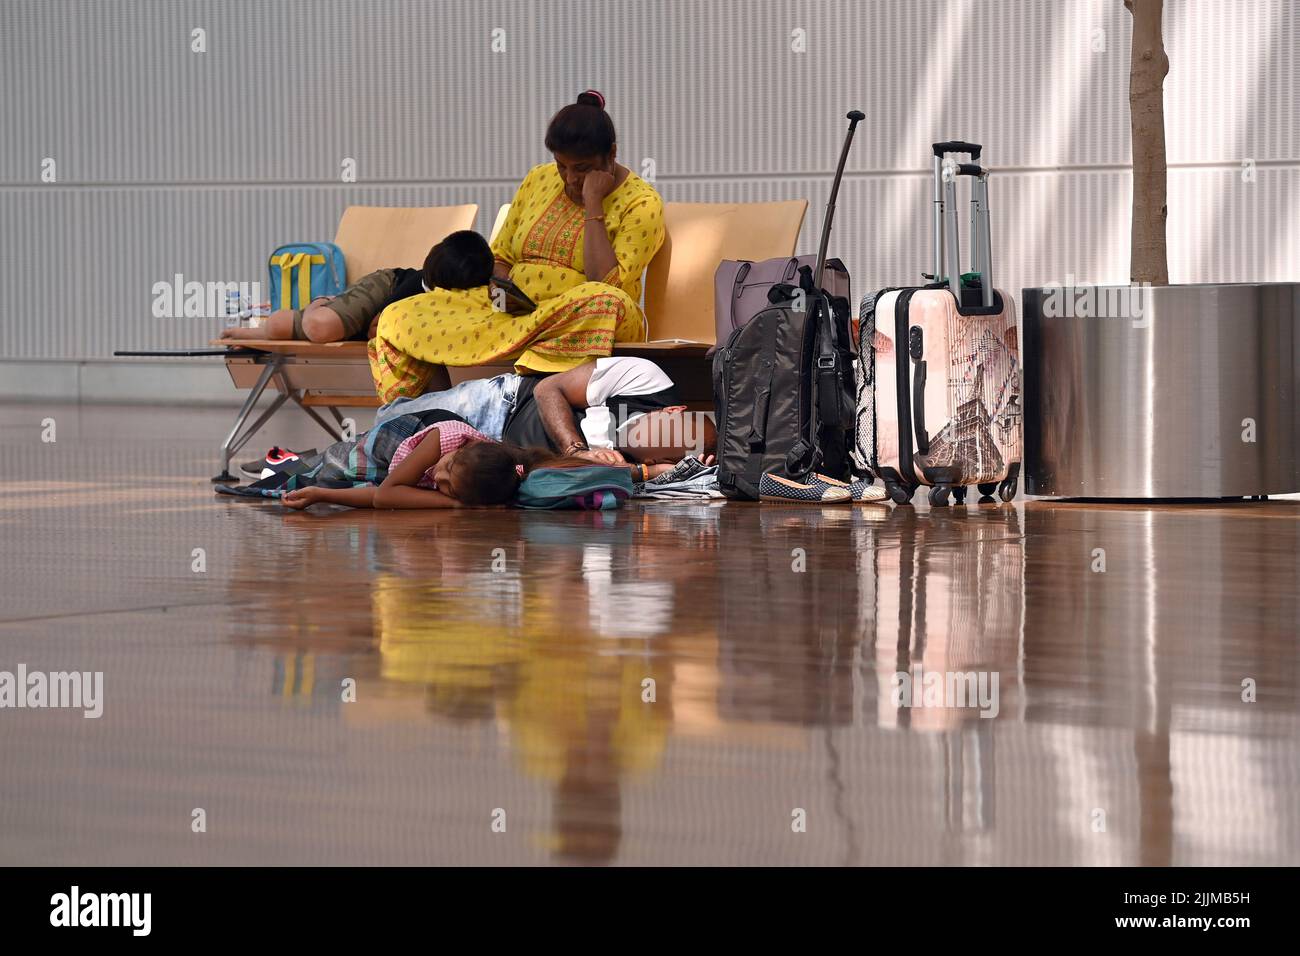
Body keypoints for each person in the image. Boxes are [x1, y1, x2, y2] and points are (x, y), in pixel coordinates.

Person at [368, 90, 665, 403]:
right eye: (562, 166)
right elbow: (501, 257)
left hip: (583, 315)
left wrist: (594, 203)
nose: (570, 179)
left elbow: (604, 282)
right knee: (402, 314)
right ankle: (430, 418)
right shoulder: (539, 178)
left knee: (603, 300)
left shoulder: (641, 203)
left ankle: (521, 394)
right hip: (518, 312)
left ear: (612, 154)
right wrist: (504, 291)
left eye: (583, 168)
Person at [370, 355, 715, 475]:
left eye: (676, 449)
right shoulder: (646, 382)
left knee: (387, 459)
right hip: (504, 405)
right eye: (678, 428)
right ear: (674, 410)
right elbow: (548, 389)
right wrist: (575, 450)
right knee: (385, 423)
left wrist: (650, 471)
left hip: (496, 456)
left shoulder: (625, 464)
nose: (666, 441)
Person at [221, 231, 493, 343]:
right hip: (384, 290)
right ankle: (320, 302)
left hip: (385, 325)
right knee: (314, 326)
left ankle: (322, 313)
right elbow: (377, 327)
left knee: (305, 328)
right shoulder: (414, 286)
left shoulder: (472, 293)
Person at [280, 420, 589, 510]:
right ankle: (286, 457)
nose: (438, 474)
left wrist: (322, 495)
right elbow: (385, 496)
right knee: (327, 465)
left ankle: (296, 463)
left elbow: (380, 495)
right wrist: (452, 503)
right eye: (449, 465)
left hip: (390, 477)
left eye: (447, 486)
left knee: (320, 485)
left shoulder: (495, 479)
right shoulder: (445, 441)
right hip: (385, 445)